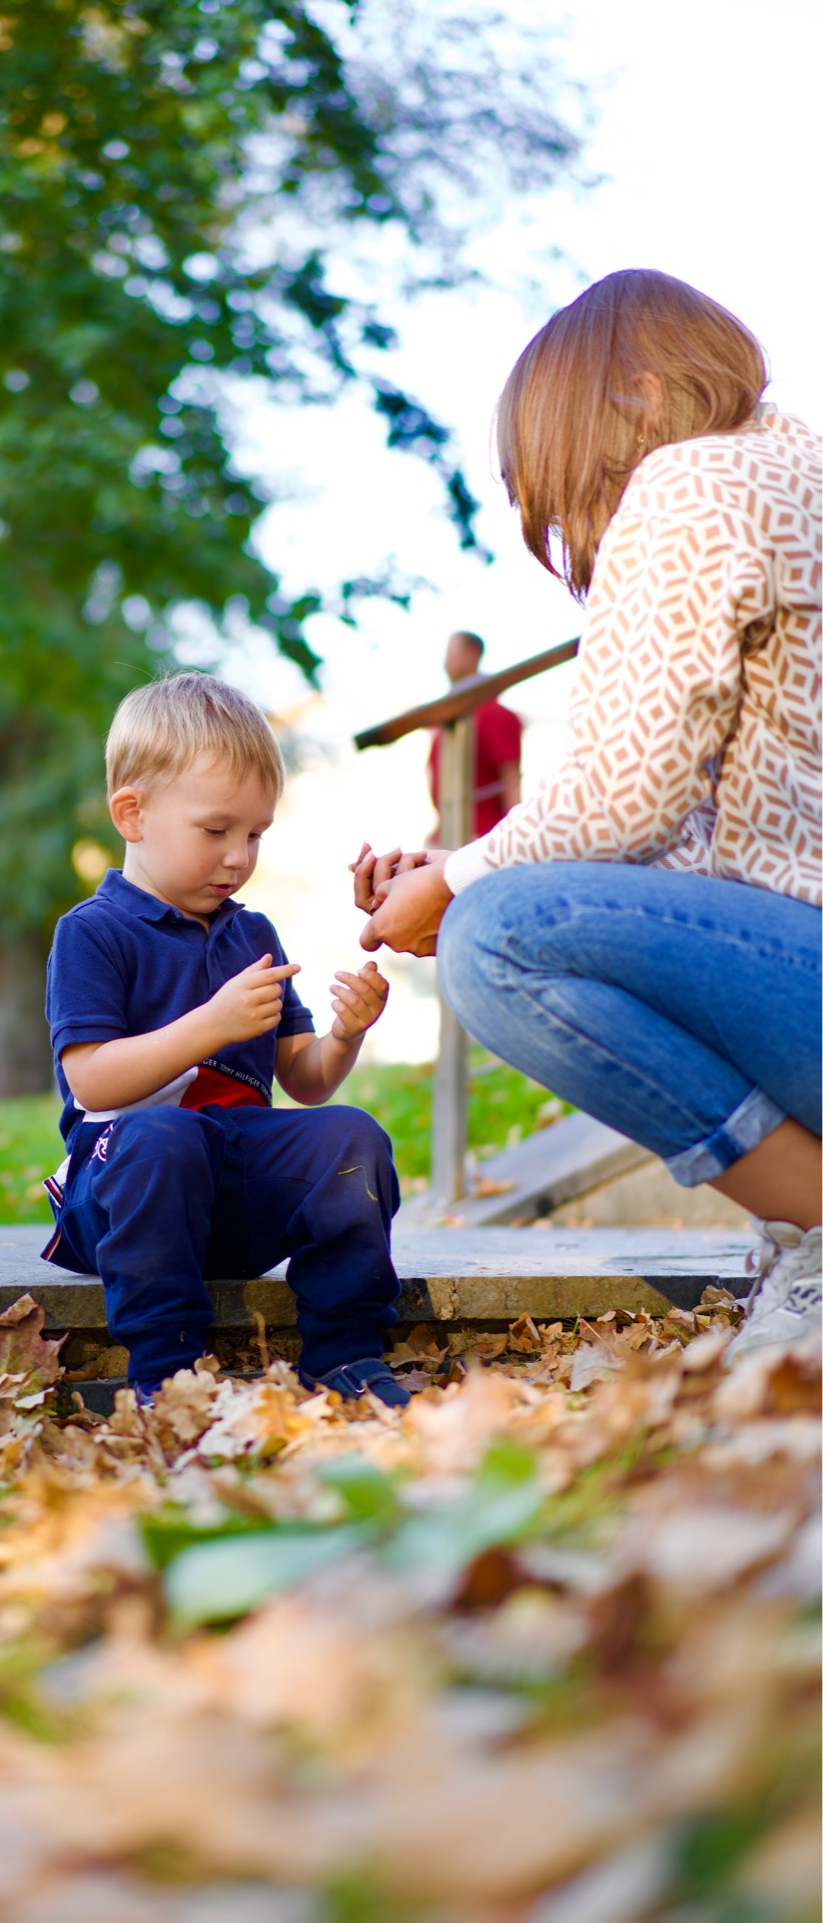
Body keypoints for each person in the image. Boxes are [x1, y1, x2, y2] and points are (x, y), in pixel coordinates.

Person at [352, 270, 821, 1358]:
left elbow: (622, 797)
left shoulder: (691, 483)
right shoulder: (788, 467)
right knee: (502, 903)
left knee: (495, 940)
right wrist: (466, 857)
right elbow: (697, 832)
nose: (575, 519)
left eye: (569, 478)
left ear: (635, 400)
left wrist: (457, 883)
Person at [42, 671, 407, 1405]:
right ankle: (166, 1376)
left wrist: (345, 1033)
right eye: (217, 831)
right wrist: (209, 1023)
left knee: (353, 1138)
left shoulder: (252, 933)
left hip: (237, 1189)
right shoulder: (93, 931)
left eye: (255, 834)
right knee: (165, 1139)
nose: (239, 856)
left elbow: (302, 1078)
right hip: (124, 1193)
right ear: (132, 812)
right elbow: (92, 1081)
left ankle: (344, 1352)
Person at [428, 630, 522, 839]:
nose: (445, 664)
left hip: (480, 837)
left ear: (471, 655)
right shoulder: (448, 718)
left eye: (451, 655)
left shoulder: (496, 716)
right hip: (449, 834)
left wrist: (514, 837)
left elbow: (511, 782)